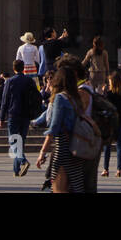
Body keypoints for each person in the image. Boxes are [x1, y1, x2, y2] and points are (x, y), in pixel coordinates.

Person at [36, 64, 84, 193]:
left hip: (62, 147)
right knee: (76, 187)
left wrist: (43, 151)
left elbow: (54, 128)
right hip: (76, 146)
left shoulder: (60, 98)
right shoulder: (76, 98)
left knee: (58, 187)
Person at [0, 60, 38, 177]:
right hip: (26, 114)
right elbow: (37, 95)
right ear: (23, 68)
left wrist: (2, 117)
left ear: (14, 69)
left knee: (13, 140)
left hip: (13, 113)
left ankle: (23, 160)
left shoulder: (10, 81)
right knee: (21, 141)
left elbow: (5, 100)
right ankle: (16, 170)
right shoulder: (29, 81)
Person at [103, 69, 121, 178]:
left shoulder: (109, 94)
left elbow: (105, 108)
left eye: (110, 82)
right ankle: (119, 169)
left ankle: (106, 169)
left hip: (110, 123)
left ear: (112, 82)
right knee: (119, 146)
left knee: (107, 147)